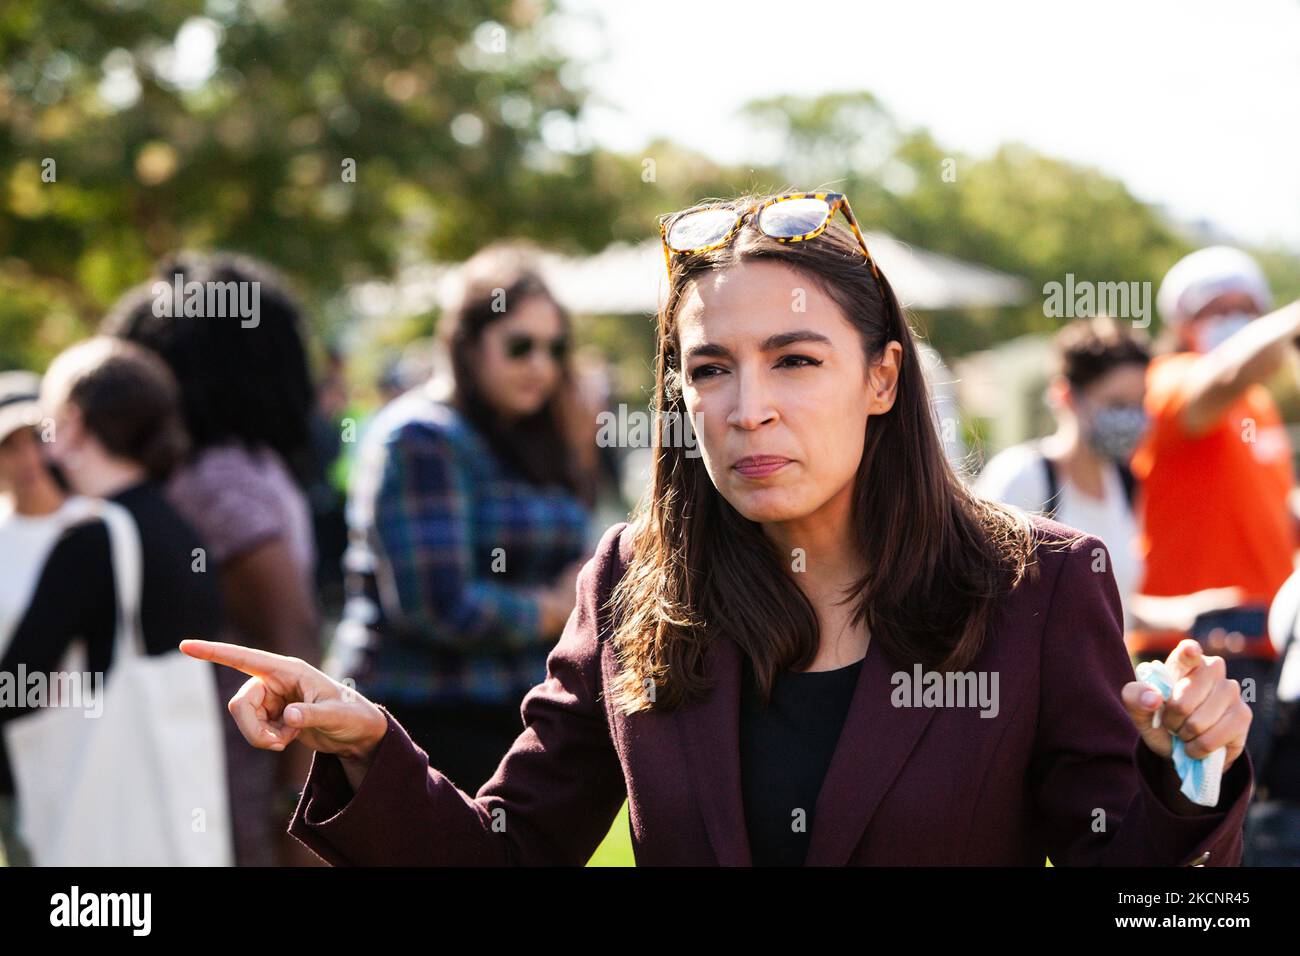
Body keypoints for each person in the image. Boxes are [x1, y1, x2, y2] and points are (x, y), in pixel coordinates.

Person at [187, 190, 1254, 866]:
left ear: (883, 377)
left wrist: (1190, 766)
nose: (746, 406)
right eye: (709, 368)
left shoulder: (1036, 584)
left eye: (794, 359)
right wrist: (371, 741)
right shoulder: (632, 584)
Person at [325, 241, 596, 794]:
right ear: (466, 345)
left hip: (515, 714)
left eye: (555, 348)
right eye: (519, 346)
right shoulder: (422, 437)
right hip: (419, 724)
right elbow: (437, 605)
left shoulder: (531, 435)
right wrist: (554, 610)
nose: (541, 365)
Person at [102, 252, 321, 867]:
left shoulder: (215, 481)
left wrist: (301, 816)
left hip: (232, 778)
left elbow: (292, 635)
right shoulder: (249, 466)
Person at [0, 338, 225, 859]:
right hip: (182, 811)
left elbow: (17, 687)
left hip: (103, 821)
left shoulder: (93, 538)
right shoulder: (181, 530)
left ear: (74, 425)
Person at [1128, 247, 1300, 692]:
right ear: (1183, 321)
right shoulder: (1169, 378)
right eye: (1218, 309)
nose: (1235, 319)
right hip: (1193, 644)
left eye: (1246, 309)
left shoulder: (1259, 404)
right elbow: (1224, 376)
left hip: (1269, 640)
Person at [975, 316, 1150, 626]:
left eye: (1139, 403)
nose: (1131, 417)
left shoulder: (1125, 481)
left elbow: (1113, 607)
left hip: (1106, 675)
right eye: (1116, 403)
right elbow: (979, 593)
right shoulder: (1024, 476)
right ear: (1067, 396)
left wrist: (1193, 614)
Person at [0, 371, 94, 866]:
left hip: (90, 746)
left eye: (36, 440)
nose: (27, 460)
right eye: (9, 446)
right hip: (15, 757)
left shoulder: (96, 528)